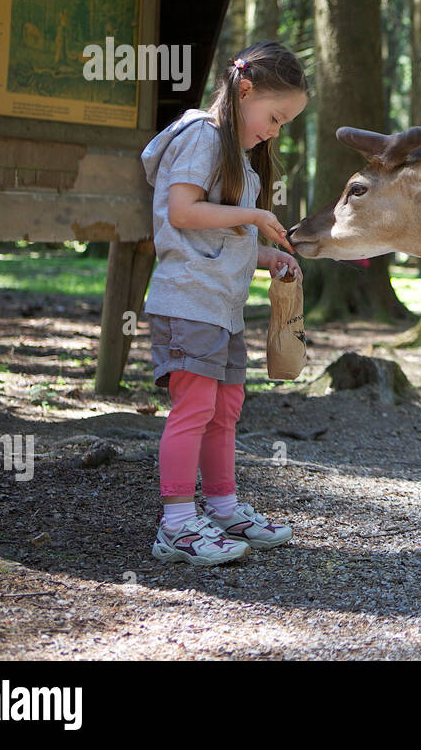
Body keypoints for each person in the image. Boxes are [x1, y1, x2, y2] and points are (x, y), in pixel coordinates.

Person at [139, 41, 309, 564]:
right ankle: (177, 523)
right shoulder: (203, 138)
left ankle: (222, 506)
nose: (275, 131)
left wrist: (265, 258)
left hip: (220, 306)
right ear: (245, 89)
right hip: (187, 300)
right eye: (275, 117)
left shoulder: (239, 157)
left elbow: (220, 235)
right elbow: (184, 213)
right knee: (194, 407)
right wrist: (256, 218)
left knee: (225, 409)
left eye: (284, 124)